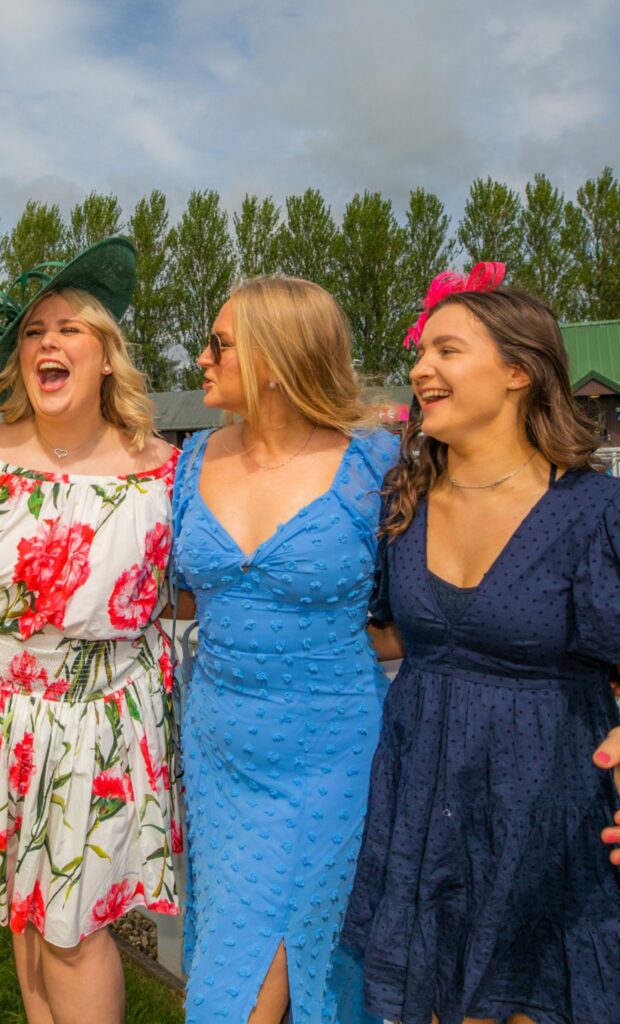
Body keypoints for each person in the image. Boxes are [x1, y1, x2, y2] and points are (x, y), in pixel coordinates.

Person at [340, 266, 620, 1024]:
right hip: (424, 813)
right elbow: (391, 630)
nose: (422, 369)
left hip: (546, 830)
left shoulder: (607, 516)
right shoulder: (404, 504)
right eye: (420, 354)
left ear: (519, 371)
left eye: (447, 351)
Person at [0, 239, 180, 1024]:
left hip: (97, 722)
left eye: (69, 329)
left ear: (107, 356)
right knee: (29, 912)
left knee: (73, 928)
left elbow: (202, 592)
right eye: (33, 333)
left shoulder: (164, 471)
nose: (48, 344)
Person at [168, 277, 396, 1024]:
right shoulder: (192, 461)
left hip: (327, 752)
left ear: (273, 358)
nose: (202, 358)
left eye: (220, 344)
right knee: (240, 951)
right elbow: (180, 595)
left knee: (252, 984)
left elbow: (419, 606)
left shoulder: (372, 467)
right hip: (218, 749)